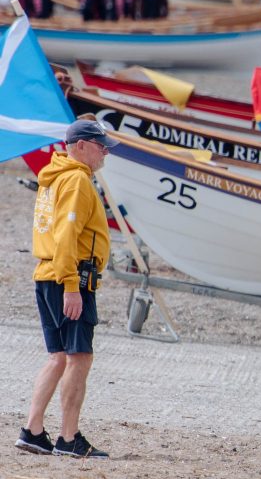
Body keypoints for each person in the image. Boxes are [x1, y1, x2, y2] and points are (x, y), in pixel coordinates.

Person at [16, 119, 118, 459]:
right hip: (68, 279)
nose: (105, 151)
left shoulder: (55, 176)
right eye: (100, 144)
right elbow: (66, 236)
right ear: (80, 146)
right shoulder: (75, 180)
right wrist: (73, 287)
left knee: (58, 356)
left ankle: (32, 430)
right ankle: (69, 438)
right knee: (79, 358)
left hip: (47, 275)